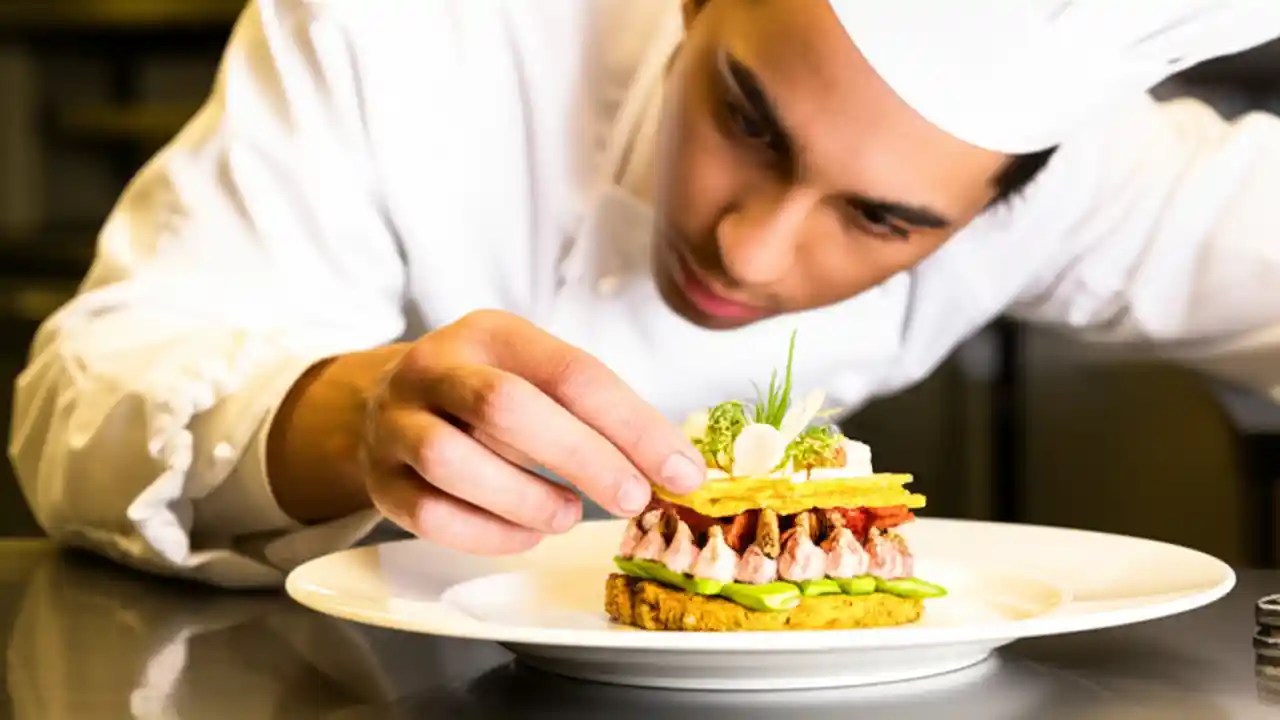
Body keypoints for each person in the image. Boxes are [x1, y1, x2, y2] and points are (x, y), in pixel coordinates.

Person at [8, 0, 1280, 588]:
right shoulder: (403, 33)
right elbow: (85, 393)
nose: (752, 251)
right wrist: (354, 413)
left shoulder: (1077, 173)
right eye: (744, 117)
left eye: (882, 219)